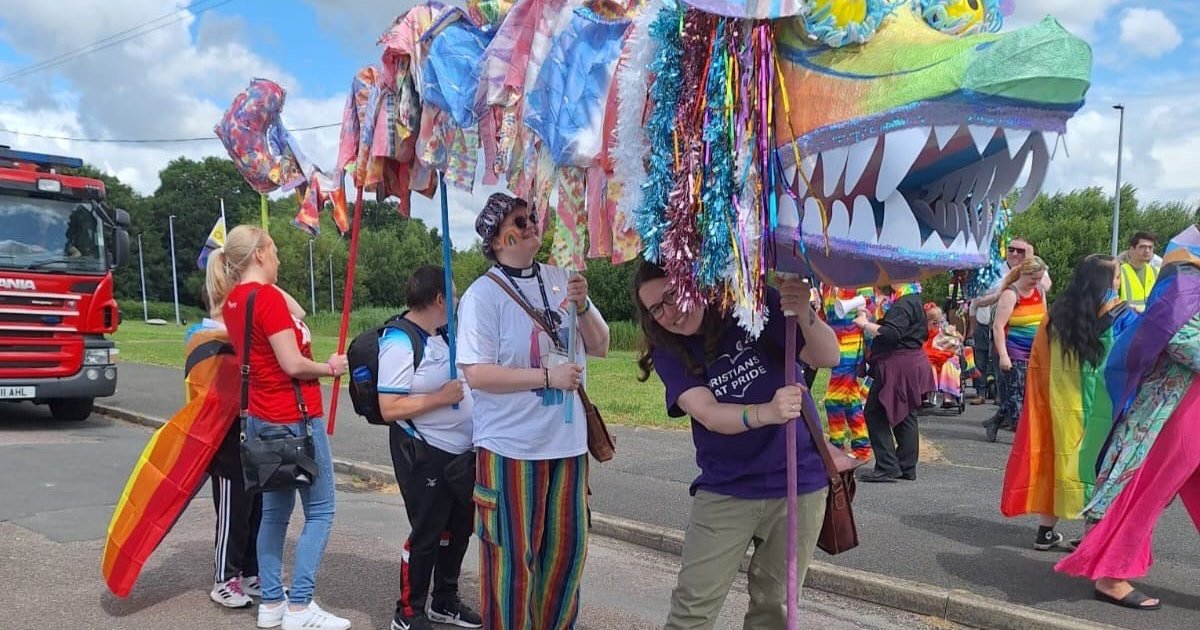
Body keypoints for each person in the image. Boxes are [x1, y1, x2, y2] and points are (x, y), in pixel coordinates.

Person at [633, 262, 839, 628]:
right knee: (692, 609)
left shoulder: (751, 303)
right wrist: (766, 412)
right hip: (726, 488)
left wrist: (805, 310)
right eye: (655, 309)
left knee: (774, 608)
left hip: (797, 484)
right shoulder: (668, 348)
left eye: (671, 295)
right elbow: (708, 413)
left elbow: (826, 356)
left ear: (692, 279)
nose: (668, 313)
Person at [456, 193, 610, 630]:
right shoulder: (482, 296)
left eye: (532, 218)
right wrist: (545, 379)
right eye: (518, 222)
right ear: (496, 239)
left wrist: (585, 305)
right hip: (510, 449)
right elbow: (477, 374)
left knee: (565, 557)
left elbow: (600, 346)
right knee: (511, 564)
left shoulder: (562, 278)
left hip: (567, 446)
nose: (529, 226)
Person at [211, 225, 352, 630]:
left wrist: (264, 280)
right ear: (258, 254)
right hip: (294, 417)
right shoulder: (265, 299)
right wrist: (329, 367)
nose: (280, 258)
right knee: (321, 509)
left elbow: (299, 314)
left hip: (260, 417)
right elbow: (292, 363)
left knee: (274, 513)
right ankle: (300, 604)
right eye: (272, 251)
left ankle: (273, 601)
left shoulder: (236, 299)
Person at [1056, 228, 1200, 610]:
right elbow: (1178, 338)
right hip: (1173, 409)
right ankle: (1111, 574)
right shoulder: (1184, 280)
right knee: (1144, 490)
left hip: (1189, 406)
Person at [999, 255, 1137, 552]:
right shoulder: (1124, 316)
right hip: (1105, 409)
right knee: (1100, 469)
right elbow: (1136, 359)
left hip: (1061, 408)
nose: (1118, 283)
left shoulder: (1057, 314)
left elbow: (1039, 363)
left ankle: (1045, 532)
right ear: (1103, 282)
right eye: (1115, 278)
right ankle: (1091, 537)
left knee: (1058, 464)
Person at [379, 266, 482, 630]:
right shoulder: (400, 340)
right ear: (439, 299)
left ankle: (445, 601)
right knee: (427, 532)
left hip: (460, 454)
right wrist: (441, 398)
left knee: (458, 529)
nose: (455, 301)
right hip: (423, 452)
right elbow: (389, 407)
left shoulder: (445, 334)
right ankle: (408, 612)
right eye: (452, 294)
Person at [185, 285, 263, 609]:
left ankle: (249, 571)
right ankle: (224, 578)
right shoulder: (204, 339)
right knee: (233, 512)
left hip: (252, 435)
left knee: (254, 509)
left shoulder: (242, 338)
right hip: (225, 441)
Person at [853, 283, 935, 482]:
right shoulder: (911, 299)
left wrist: (865, 324)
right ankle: (906, 465)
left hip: (899, 364)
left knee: (874, 411)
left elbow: (892, 333)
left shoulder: (904, 303)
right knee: (905, 412)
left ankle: (888, 465)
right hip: (909, 362)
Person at [969, 238, 1051, 405]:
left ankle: (1003, 406)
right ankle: (983, 393)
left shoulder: (1036, 270)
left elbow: (1045, 286)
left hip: (1028, 338)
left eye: (1020, 250)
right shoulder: (996, 269)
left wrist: (1029, 259)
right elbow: (980, 296)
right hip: (992, 322)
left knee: (1016, 383)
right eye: (1011, 249)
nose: (1014, 253)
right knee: (984, 358)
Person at [984, 256, 1049, 442]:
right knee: (1017, 393)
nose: (1035, 283)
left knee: (1027, 393)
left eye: (1039, 279)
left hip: (1035, 350)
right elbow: (998, 326)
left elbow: (1044, 319)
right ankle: (1024, 436)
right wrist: (1003, 356)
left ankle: (996, 420)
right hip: (1015, 350)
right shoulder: (1011, 294)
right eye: (1033, 279)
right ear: (1023, 274)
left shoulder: (1039, 291)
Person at [821, 285, 873, 459]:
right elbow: (825, 316)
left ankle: (837, 446)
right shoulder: (825, 283)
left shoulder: (859, 278)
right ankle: (862, 446)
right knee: (851, 401)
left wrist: (869, 349)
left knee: (832, 400)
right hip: (833, 347)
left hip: (850, 348)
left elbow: (869, 306)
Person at [922, 303, 965, 407]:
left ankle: (948, 397)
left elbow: (959, 339)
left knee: (949, 365)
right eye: (931, 319)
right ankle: (927, 396)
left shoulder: (946, 328)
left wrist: (952, 336)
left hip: (947, 355)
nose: (935, 322)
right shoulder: (922, 331)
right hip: (930, 356)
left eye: (937, 319)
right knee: (927, 365)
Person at [1118, 231, 1157, 312]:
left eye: (1150, 247)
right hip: (1129, 321)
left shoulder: (1156, 272)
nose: (1147, 250)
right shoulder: (1119, 272)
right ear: (1132, 249)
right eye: (1142, 247)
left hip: (1152, 321)